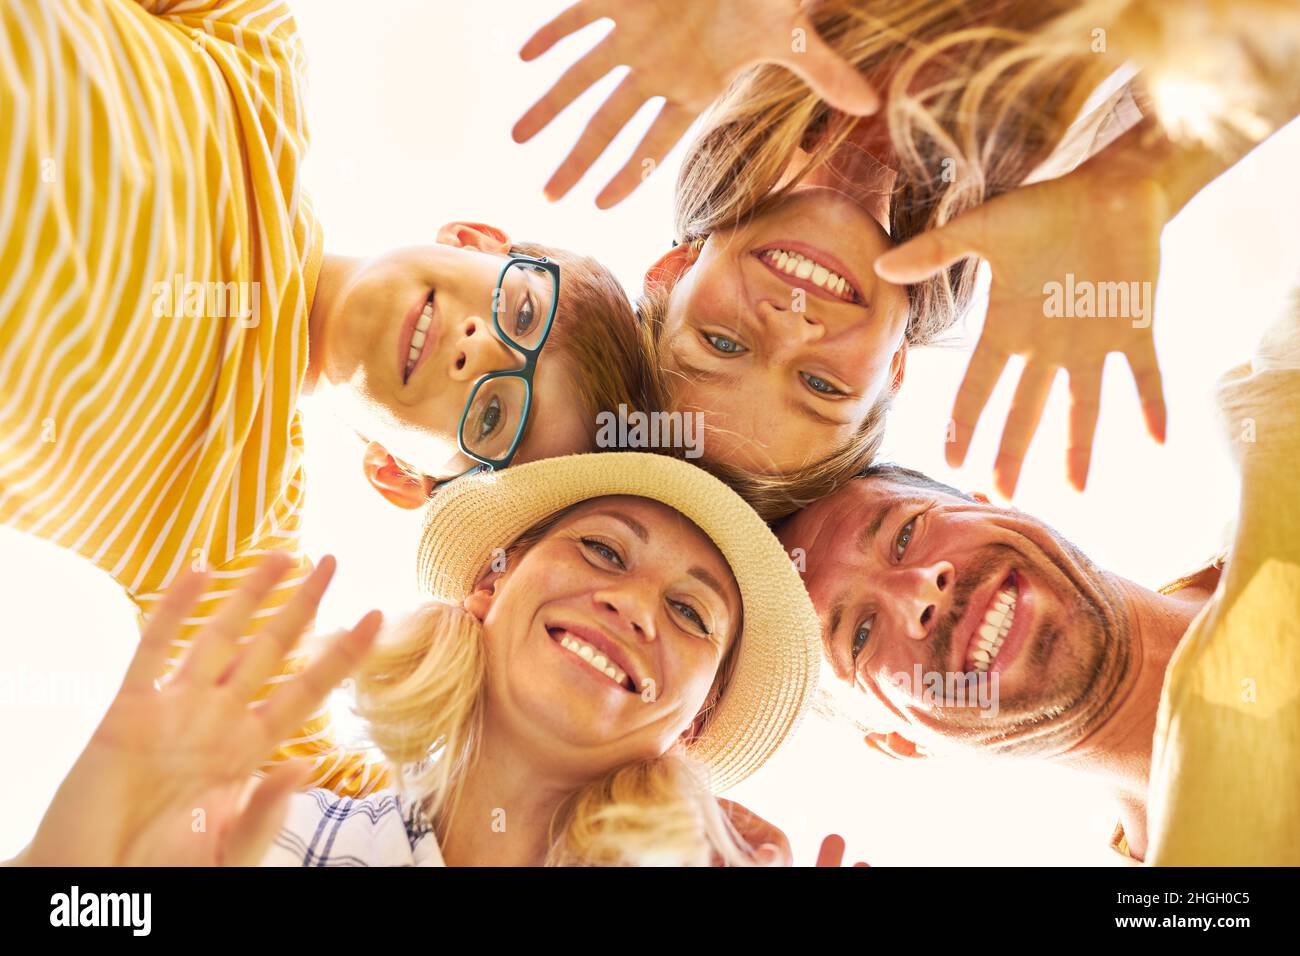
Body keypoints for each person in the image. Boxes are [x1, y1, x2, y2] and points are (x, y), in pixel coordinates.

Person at [0, 0, 656, 796]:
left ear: (400, 477)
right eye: (520, 312)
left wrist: (623, 805)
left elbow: (323, 791)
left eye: (493, 416)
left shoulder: (227, 529)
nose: (480, 349)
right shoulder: (256, 61)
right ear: (474, 238)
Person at [516, 0, 1300, 512]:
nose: (791, 327)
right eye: (821, 385)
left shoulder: (736, 29)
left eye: (722, 343)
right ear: (893, 367)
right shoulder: (1070, 172)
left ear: (673, 274)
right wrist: (1139, 181)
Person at [10, 453, 824, 866]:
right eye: (604, 551)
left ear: (696, 721)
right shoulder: (251, 834)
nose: (636, 605)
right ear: (489, 583)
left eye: (690, 612)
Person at [775, 300, 1300, 864]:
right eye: (860, 636)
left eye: (905, 534)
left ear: (990, 506)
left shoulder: (1279, 419)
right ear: (902, 742)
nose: (918, 593)